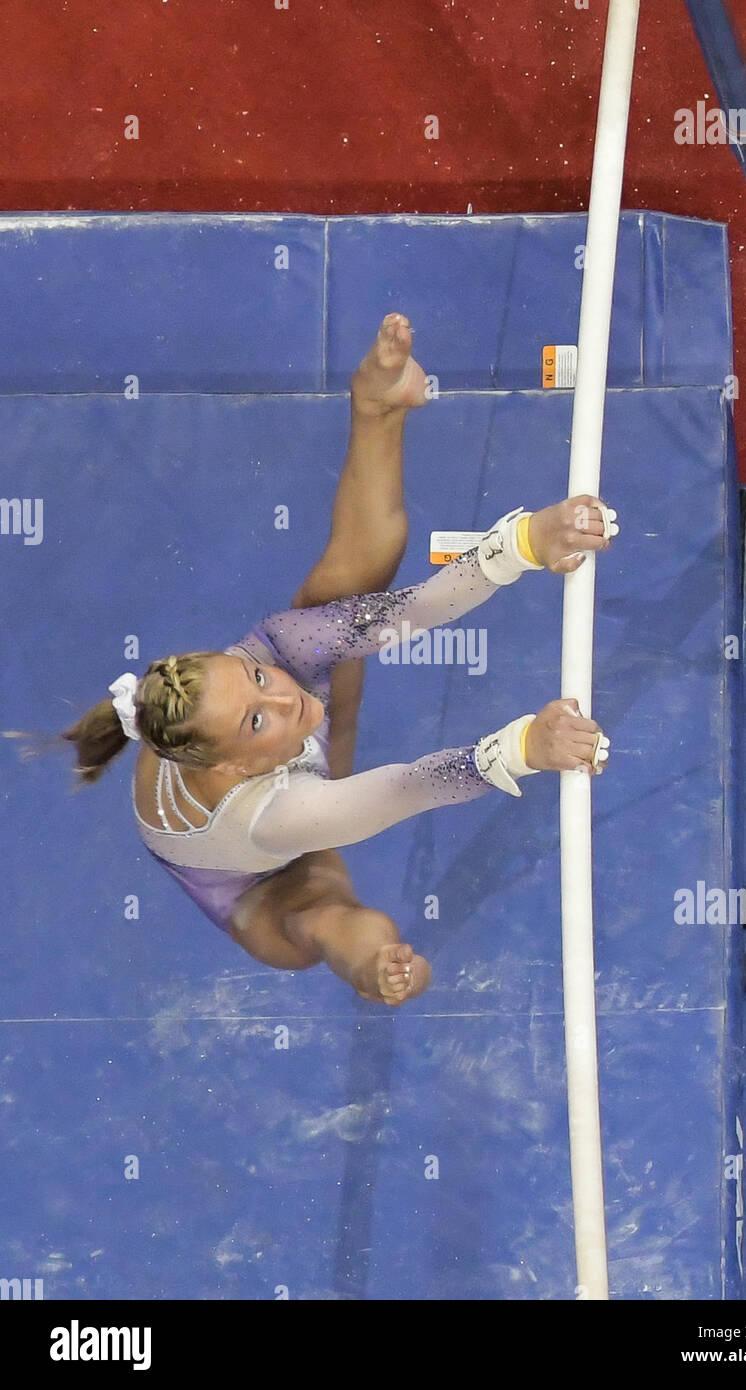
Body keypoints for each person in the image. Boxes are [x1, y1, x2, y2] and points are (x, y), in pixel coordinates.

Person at [61, 313, 617, 1007]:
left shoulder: (278, 652)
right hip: (249, 879)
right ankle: (378, 969)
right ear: (235, 762)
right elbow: (403, 789)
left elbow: (411, 612)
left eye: (259, 680)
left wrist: (528, 542)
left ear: (243, 660)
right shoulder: (273, 815)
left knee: (352, 594)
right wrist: (522, 747)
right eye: (259, 720)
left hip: (255, 761)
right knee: (321, 916)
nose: (284, 698)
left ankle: (375, 405)